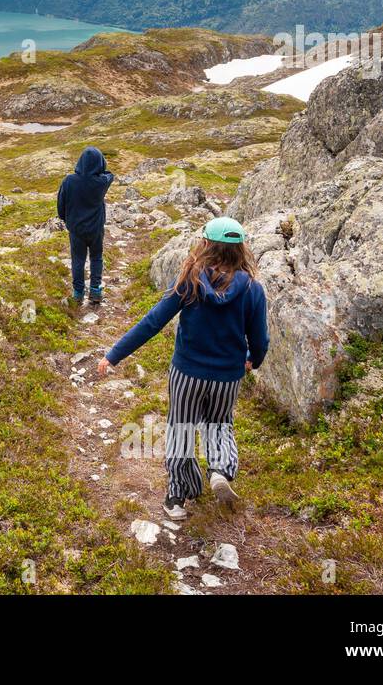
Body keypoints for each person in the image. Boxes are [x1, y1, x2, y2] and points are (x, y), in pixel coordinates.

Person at [95, 217, 269, 520]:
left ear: (205, 244)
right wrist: (255, 358)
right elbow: (260, 337)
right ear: (241, 249)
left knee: (181, 430)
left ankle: (177, 497)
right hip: (227, 376)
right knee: (220, 424)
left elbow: (153, 321)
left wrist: (114, 355)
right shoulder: (253, 289)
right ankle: (219, 470)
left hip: (187, 373)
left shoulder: (190, 279)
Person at [57, 146, 113, 306]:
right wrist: (100, 169)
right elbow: (110, 175)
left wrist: (67, 219)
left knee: (78, 260)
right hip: (96, 228)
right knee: (96, 257)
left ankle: (78, 293)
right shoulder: (102, 182)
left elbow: (61, 205)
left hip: (76, 229)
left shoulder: (69, 181)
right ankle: (95, 291)